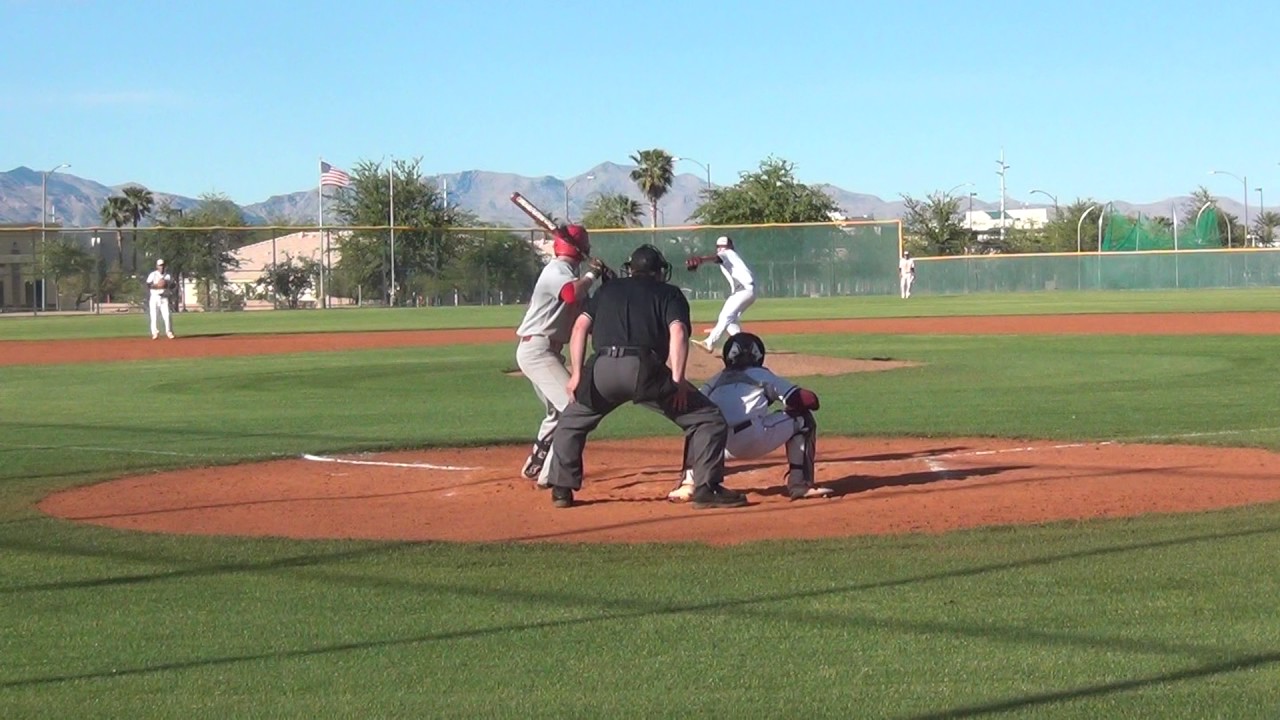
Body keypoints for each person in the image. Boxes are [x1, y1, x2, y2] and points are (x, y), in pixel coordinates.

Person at [542, 243, 748, 510]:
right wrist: (677, 381)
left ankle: (562, 489)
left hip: (602, 368)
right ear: (658, 271)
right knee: (708, 419)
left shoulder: (606, 289)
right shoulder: (669, 293)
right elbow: (678, 333)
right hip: (643, 369)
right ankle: (706, 488)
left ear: (631, 269)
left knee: (571, 422)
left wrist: (577, 375)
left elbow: (580, 327)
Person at [667, 332, 832, 502]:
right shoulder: (763, 375)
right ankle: (800, 485)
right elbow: (808, 400)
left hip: (716, 446)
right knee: (803, 420)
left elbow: (694, 406)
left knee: (698, 425)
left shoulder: (716, 379)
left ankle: (688, 484)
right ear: (758, 355)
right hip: (754, 439)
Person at [514, 224, 605, 487]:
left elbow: (581, 314)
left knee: (556, 412)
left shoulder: (569, 272)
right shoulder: (557, 270)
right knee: (573, 409)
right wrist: (592, 275)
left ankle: (537, 461)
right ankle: (549, 476)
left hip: (546, 350)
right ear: (579, 247)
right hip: (538, 350)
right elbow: (569, 293)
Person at [690, 235, 755, 353]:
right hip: (747, 291)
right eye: (719, 246)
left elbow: (717, 258)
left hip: (743, 290)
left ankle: (709, 342)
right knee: (731, 321)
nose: (722, 248)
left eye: (724, 246)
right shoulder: (731, 257)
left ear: (730, 247)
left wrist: (701, 260)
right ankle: (743, 346)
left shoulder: (728, 253)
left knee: (725, 316)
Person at [145, 259, 175, 339]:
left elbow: (173, 285)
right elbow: (148, 285)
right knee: (154, 316)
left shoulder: (167, 275)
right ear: (157, 266)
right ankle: (155, 333)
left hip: (164, 298)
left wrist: (167, 285)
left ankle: (169, 332)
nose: (161, 267)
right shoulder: (153, 274)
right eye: (160, 265)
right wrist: (157, 286)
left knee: (167, 315)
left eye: (162, 265)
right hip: (154, 297)